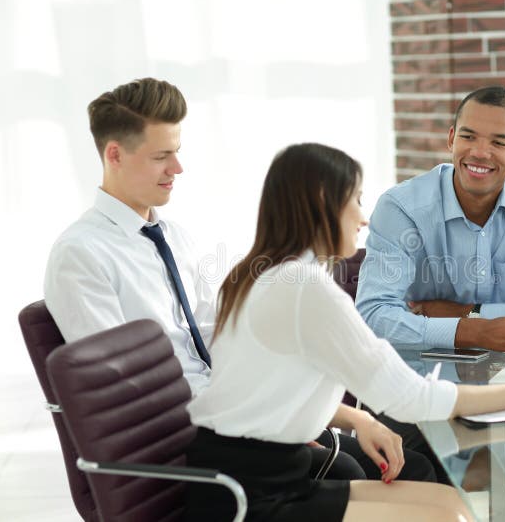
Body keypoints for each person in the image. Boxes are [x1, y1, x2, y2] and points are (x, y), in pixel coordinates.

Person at [43, 77, 434, 485]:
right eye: (162, 156)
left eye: (177, 153)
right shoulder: (81, 254)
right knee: (356, 473)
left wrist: (339, 416)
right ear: (114, 154)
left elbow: (228, 353)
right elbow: (120, 389)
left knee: (413, 465)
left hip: (236, 420)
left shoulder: (174, 236)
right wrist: (263, 436)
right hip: (192, 439)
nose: (177, 169)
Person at [184, 142, 505, 521]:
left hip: (248, 468)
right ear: (325, 204)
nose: (364, 217)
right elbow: (410, 398)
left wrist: (358, 420)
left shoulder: (262, 273)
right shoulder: (305, 289)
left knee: (451, 503)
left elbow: (270, 387)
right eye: (356, 200)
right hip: (251, 492)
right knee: (445, 513)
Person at [355, 85, 505, 354]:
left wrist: (469, 313)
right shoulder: (401, 208)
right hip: (423, 377)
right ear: (451, 139)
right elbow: (372, 317)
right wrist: (476, 331)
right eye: (468, 137)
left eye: (499, 142)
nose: (480, 152)